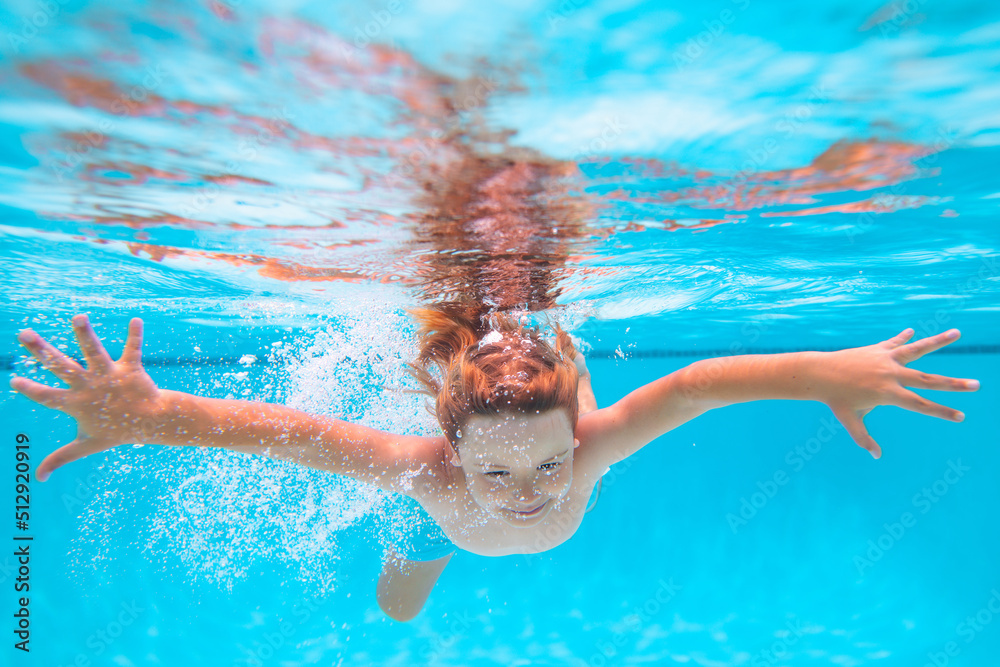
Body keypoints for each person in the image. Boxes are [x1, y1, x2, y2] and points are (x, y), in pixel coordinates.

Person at [10, 313, 979, 621]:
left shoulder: (592, 441)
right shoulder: (426, 474)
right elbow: (282, 433)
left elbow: (692, 387)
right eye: (499, 476)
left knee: (489, 527)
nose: (530, 496)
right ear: (454, 451)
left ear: (578, 429)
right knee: (400, 602)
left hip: (483, 483)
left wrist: (828, 375)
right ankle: (414, 555)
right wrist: (157, 413)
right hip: (438, 532)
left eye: (548, 464)